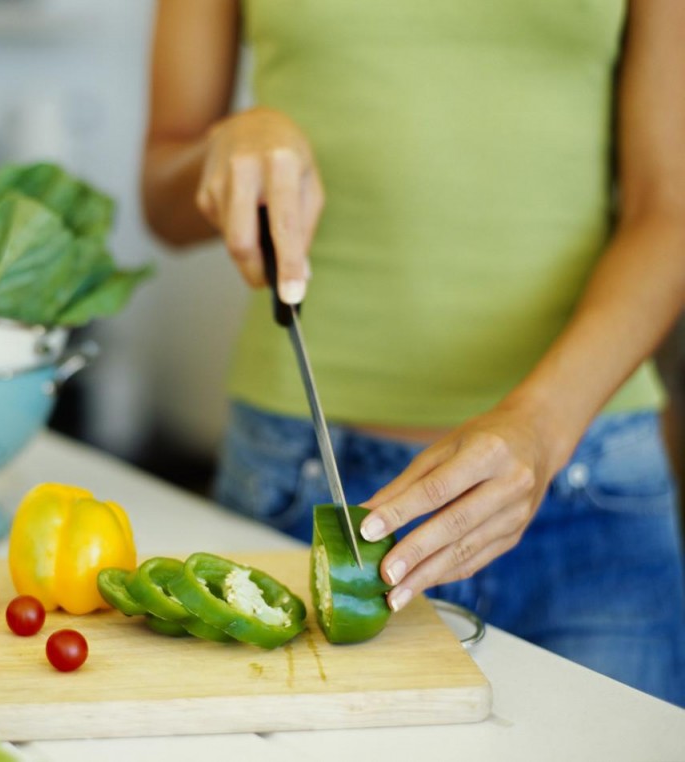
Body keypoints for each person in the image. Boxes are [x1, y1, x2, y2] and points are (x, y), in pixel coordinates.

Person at [139, 0, 685, 706]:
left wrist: (543, 427)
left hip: (587, 481)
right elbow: (163, 195)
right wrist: (227, 146)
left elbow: (668, 208)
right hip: (301, 476)